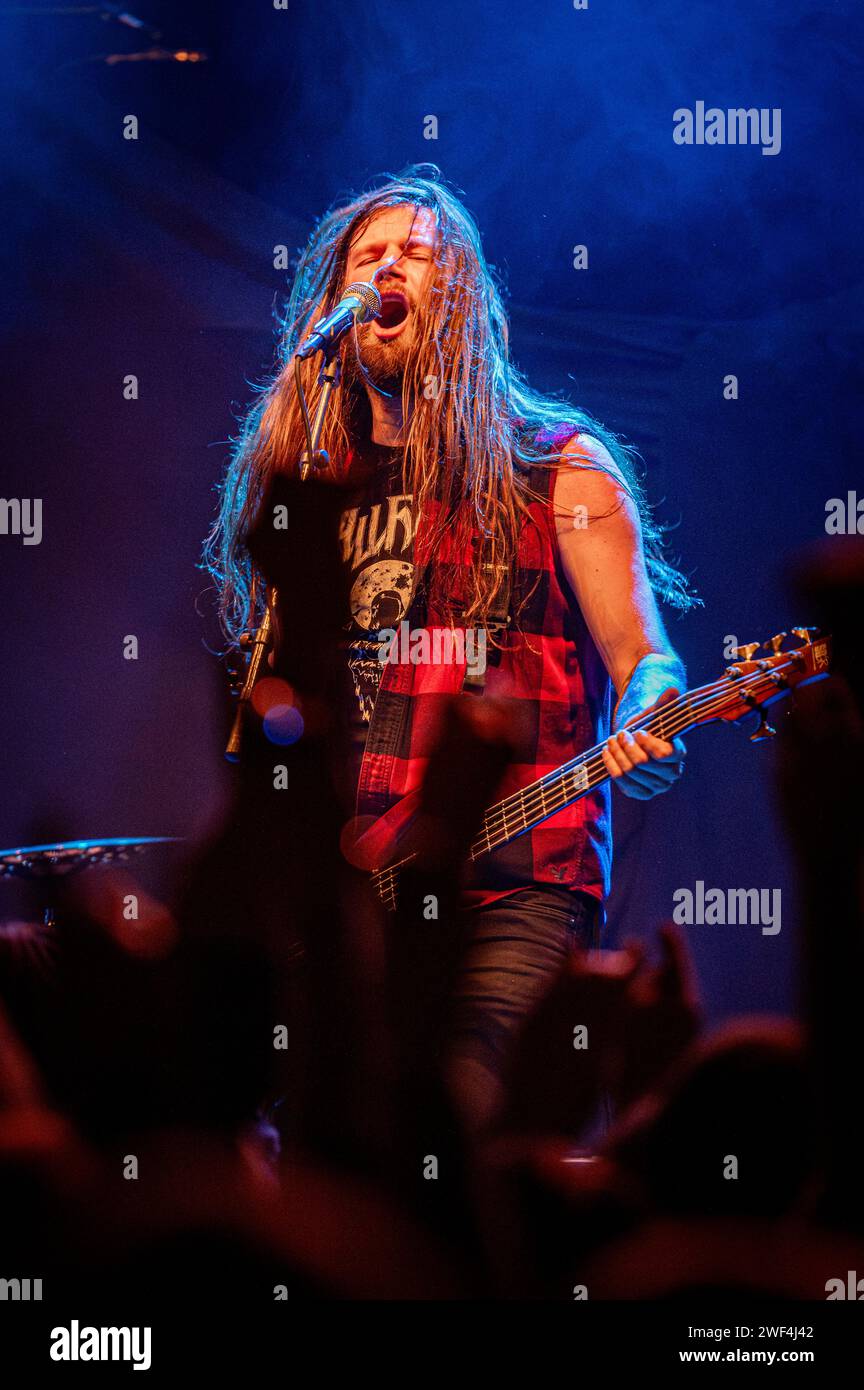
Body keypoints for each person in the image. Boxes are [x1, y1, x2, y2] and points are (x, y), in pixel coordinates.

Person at [204, 165, 696, 1132]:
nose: (386, 266)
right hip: (355, 898)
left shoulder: (554, 463)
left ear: (461, 292)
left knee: (464, 1121)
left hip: (515, 883)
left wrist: (648, 709)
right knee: (320, 1148)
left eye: (414, 255)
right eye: (366, 255)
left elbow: (649, 658)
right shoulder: (315, 485)